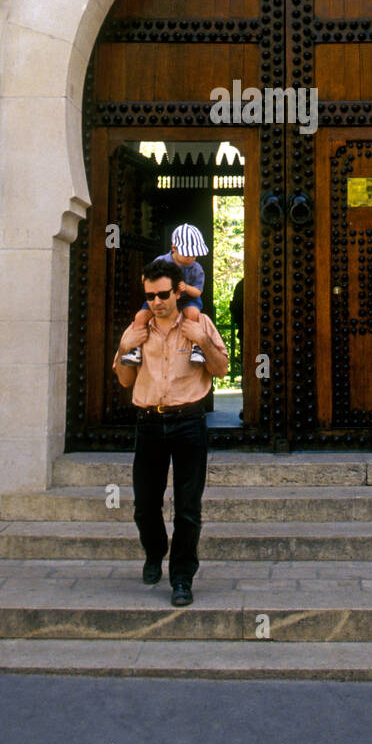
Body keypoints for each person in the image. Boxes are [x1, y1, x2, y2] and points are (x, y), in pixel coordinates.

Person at [113, 256, 229, 607]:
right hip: (149, 423)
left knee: (188, 508)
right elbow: (125, 378)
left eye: (162, 295)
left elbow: (222, 369)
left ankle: (181, 577)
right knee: (145, 506)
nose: (156, 303)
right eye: (149, 296)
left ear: (178, 292)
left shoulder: (200, 323)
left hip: (189, 423)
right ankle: (154, 552)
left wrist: (203, 342)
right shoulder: (138, 329)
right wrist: (123, 349)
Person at [121, 223, 208, 366]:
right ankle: (135, 349)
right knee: (140, 317)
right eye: (187, 254)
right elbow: (145, 277)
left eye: (194, 254)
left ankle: (196, 348)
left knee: (193, 314)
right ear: (174, 248)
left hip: (187, 299)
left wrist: (186, 288)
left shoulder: (196, 268)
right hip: (161, 297)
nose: (191, 258)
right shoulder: (161, 261)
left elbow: (198, 291)